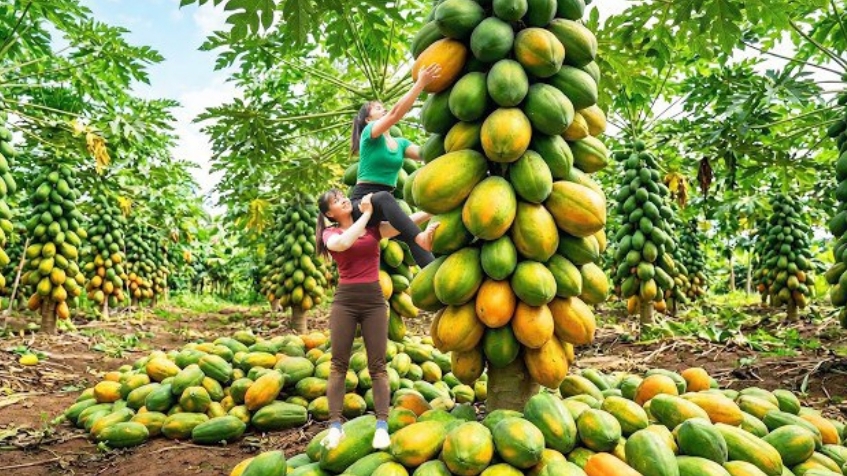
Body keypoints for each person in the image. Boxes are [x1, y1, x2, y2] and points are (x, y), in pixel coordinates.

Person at [316, 189, 436, 450]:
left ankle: (382, 425)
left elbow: (405, 222)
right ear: (329, 214)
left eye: (342, 196)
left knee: (378, 366)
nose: (343, 200)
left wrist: (432, 210)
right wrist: (367, 214)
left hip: (374, 302)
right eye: (336, 201)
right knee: (338, 365)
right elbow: (344, 243)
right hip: (345, 303)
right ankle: (335, 426)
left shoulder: (373, 230)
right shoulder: (331, 234)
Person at [349, 63, 443, 267]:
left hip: (384, 205)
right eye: (377, 108)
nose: (383, 108)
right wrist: (420, 84)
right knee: (388, 203)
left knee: (410, 233)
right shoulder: (369, 134)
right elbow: (394, 114)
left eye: (382, 106)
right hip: (362, 202)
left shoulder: (401, 144)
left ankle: (434, 275)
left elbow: (427, 154)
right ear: (368, 119)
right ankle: (420, 237)